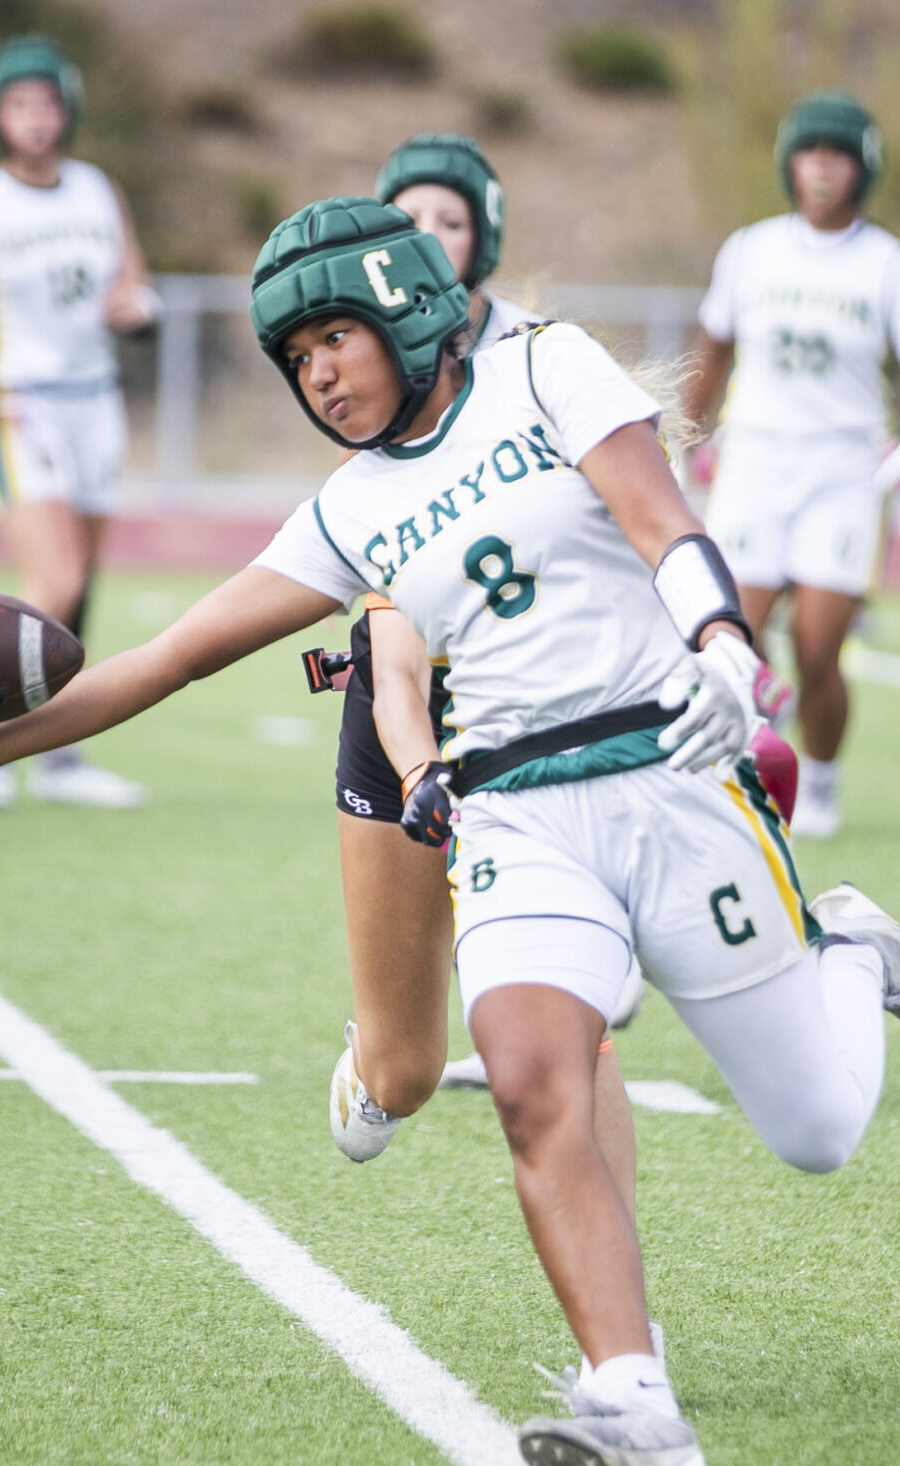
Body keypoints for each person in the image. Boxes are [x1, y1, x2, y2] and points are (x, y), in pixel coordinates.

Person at [0, 197, 900, 1466]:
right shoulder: (345, 510)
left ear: (403, 309)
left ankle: (851, 956)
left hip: (668, 780)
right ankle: (632, 1399)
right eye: (293, 358)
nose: (315, 373)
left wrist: (723, 639)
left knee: (816, 1129)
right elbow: (166, 657)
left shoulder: (545, 365)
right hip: (514, 816)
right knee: (535, 1074)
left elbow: (664, 518)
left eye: (331, 336)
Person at [319, 133, 641, 1168]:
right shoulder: (367, 371)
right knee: (403, 1073)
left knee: (574, 1023)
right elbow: (389, 617)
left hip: (541, 705)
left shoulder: (544, 355)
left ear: (483, 236)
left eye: (448, 221)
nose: (427, 240)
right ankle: (374, 1060)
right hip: (409, 697)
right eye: (406, 221)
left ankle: (621, 1336)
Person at [685, 91, 900, 838]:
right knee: (734, 634)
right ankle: (738, 769)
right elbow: (711, 351)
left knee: (818, 645)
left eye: (836, 155)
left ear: (860, 167)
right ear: (789, 162)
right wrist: (681, 438)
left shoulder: (890, 266)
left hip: (841, 475)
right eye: (809, 153)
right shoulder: (750, 249)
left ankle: (825, 777)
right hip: (753, 466)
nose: (821, 169)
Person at [0, 34, 156, 810]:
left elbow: (135, 288)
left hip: (95, 401)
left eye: (47, 103)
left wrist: (136, 309)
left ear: (68, 109)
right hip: (16, 403)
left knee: (78, 590)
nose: (36, 118)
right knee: (55, 578)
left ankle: (59, 756)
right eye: (20, 104)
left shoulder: (98, 189)